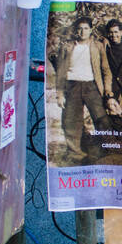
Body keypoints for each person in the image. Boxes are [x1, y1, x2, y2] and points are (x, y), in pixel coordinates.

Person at [50, 15, 113, 162]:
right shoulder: (67, 47)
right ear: (75, 31)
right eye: (80, 29)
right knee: (72, 120)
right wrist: (59, 93)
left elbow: (106, 70)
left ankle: (107, 151)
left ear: (91, 30)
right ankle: (75, 154)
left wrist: (107, 91)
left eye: (86, 29)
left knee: (101, 119)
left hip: (92, 86)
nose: (83, 32)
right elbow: (60, 73)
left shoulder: (98, 46)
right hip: (72, 85)